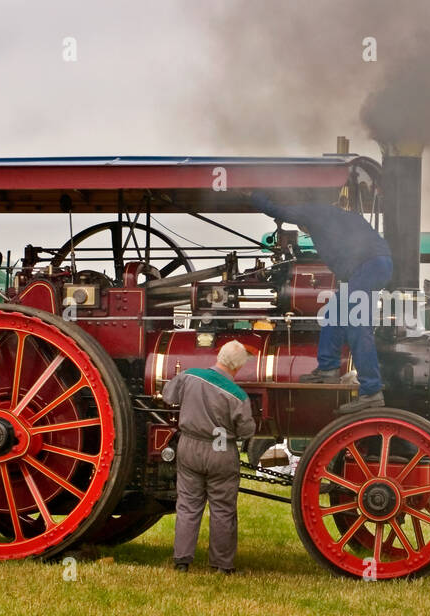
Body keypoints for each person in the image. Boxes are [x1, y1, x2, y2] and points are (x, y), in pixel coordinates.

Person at [250, 191, 393, 414]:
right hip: (370, 267)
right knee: (333, 315)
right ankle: (328, 369)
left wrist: (254, 195)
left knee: (357, 327)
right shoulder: (344, 216)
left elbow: (276, 210)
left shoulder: (314, 212)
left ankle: (371, 391)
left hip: (367, 267)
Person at [162, 341, 256, 574]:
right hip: (221, 450)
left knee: (187, 505)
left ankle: (182, 561)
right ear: (238, 367)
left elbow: (167, 396)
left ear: (219, 356)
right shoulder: (238, 395)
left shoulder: (189, 376)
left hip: (189, 446)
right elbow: (247, 431)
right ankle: (221, 565)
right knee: (223, 508)